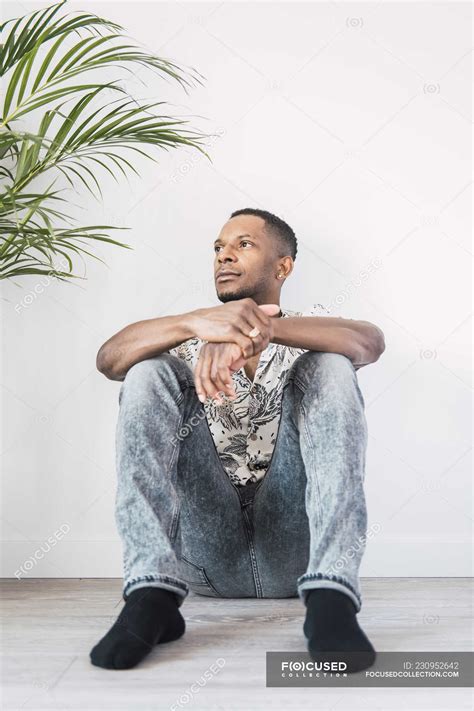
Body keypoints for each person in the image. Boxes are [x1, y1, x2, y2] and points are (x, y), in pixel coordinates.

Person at [90, 207, 385, 672]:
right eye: (218, 247)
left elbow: (369, 342)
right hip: (204, 556)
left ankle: (333, 596)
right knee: (146, 370)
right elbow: (110, 360)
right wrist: (200, 325)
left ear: (283, 267)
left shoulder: (314, 330)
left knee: (331, 364)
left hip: (297, 553)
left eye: (243, 244)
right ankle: (151, 594)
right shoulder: (187, 336)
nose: (224, 255)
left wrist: (257, 331)